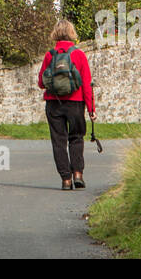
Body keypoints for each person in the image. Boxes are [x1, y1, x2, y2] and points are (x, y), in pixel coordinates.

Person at [37, 19, 95, 190]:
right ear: (72, 33)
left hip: (54, 103)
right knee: (76, 138)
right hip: (76, 103)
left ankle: (66, 180)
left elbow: (41, 82)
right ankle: (78, 174)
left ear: (55, 33)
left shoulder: (50, 55)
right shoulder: (79, 55)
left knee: (58, 141)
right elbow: (86, 84)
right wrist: (91, 109)